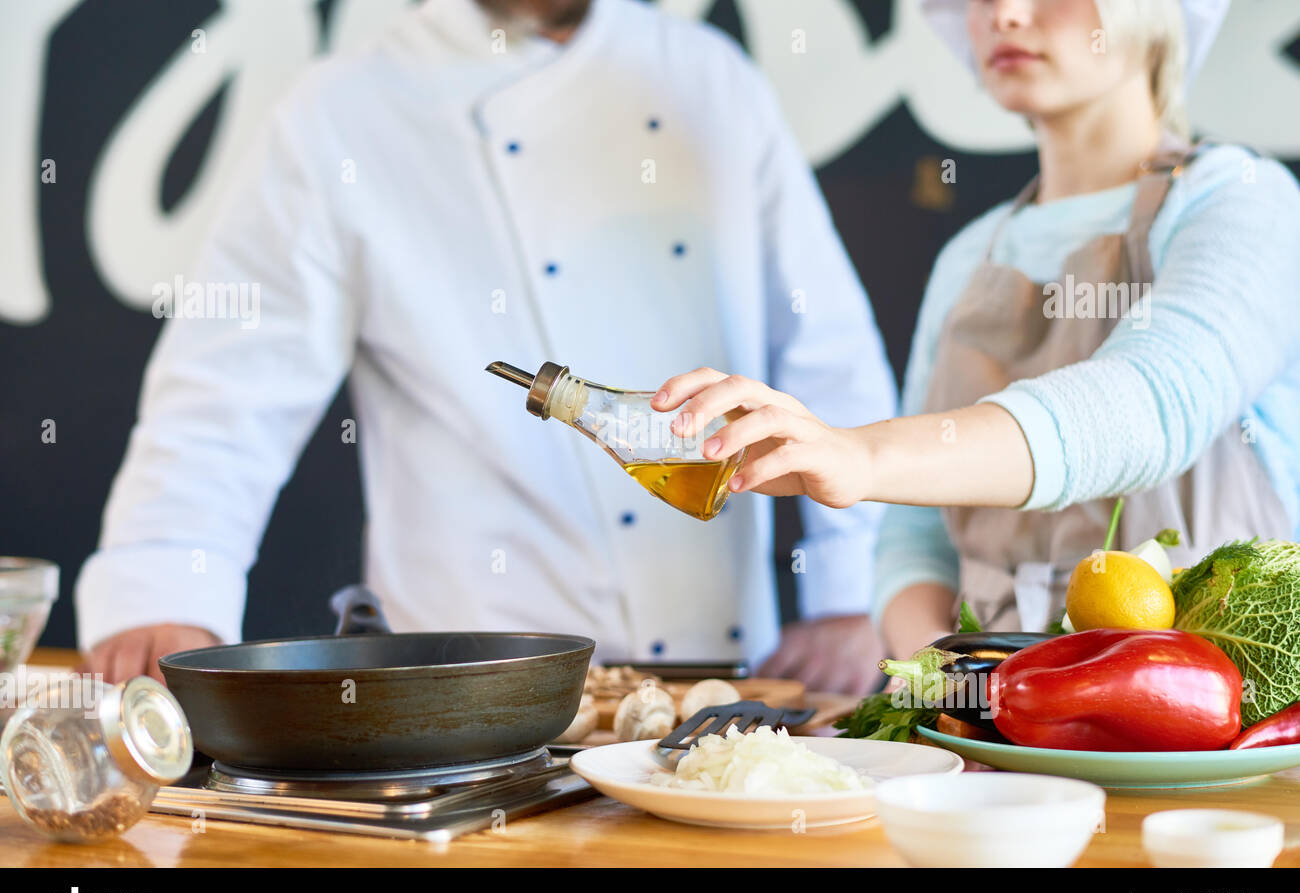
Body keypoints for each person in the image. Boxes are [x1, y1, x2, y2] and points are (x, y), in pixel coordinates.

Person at [76, 0, 897, 692]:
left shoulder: (710, 79)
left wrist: (850, 596)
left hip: (720, 691)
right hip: (464, 697)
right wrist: (163, 587)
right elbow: (227, 396)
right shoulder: (342, 114)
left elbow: (829, 352)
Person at [652, 0, 1300, 661]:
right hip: (996, 734)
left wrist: (861, 455)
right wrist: (952, 686)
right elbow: (914, 537)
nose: (1006, 14)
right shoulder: (970, 255)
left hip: (1216, 733)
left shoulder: (1243, 200)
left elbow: (1150, 403)